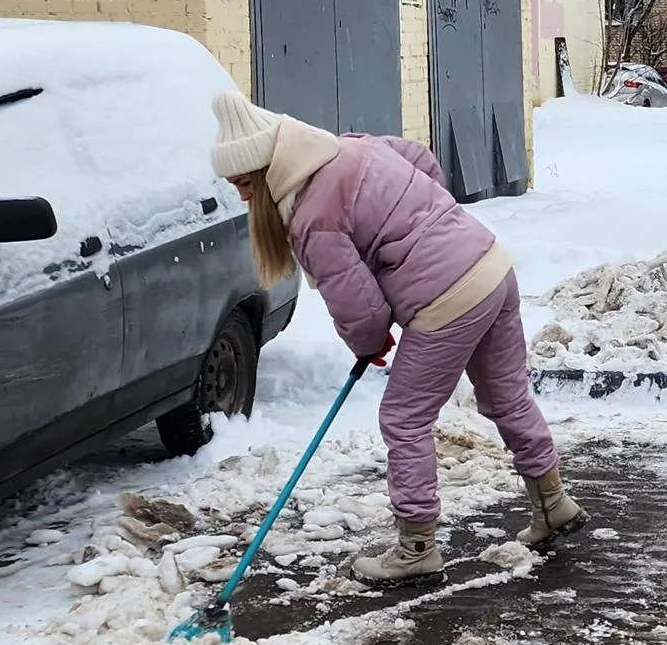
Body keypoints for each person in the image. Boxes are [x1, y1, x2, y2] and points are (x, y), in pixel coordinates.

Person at [209, 90, 584, 586]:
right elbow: (422, 161)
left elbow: (356, 303)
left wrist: (368, 341)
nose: (242, 196)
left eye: (243, 183)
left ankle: (417, 548)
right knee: (507, 397)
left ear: (263, 168)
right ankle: (553, 502)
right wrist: (429, 225)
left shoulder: (309, 215)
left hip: (446, 298)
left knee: (404, 419)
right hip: (490, 264)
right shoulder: (349, 147)